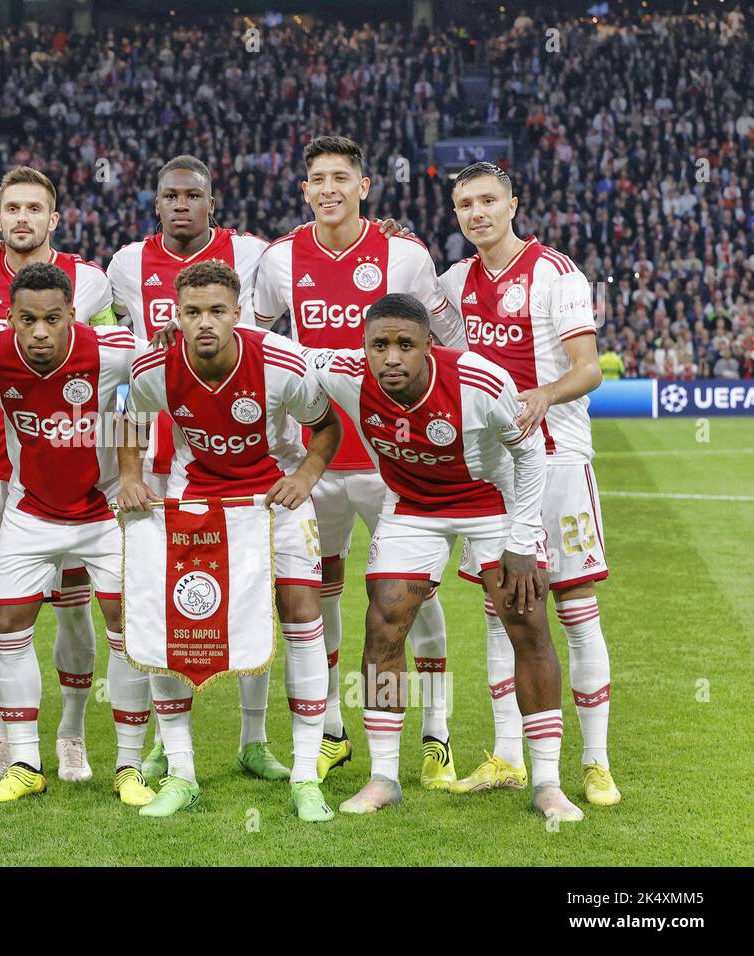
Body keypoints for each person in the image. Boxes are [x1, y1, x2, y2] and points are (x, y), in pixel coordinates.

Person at [308, 293, 583, 823]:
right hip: (412, 506)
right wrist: (175, 339)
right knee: (383, 623)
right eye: (379, 345)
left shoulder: (479, 381)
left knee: (526, 623)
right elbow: (278, 351)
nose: (390, 358)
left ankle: (547, 782)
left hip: (492, 501)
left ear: (429, 346)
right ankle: (384, 776)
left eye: (405, 345)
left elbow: (528, 454)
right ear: (363, 347)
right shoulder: (343, 371)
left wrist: (522, 542)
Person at [253, 135, 466, 788]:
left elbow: (449, 341)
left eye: (340, 177)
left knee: (413, 599)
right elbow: (258, 344)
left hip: (390, 462)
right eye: (316, 178)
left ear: (364, 186)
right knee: (315, 598)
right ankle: (331, 736)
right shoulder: (280, 259)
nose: (327, 189)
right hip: (314, 458)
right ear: (304, 189)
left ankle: (437, 735)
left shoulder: (405, 255)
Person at [121, 261, 343, 821]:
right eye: (192, 312)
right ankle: (182, 771)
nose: (205, 323)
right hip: (195, 503)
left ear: (238, 313)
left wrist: (305, 477)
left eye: (217, 311)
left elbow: (327, 426)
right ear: (176, 314)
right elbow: (127, 420)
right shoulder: (153, 367)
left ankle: (303, 773)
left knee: (298, 615)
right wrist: (129, 476)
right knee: (176, 625)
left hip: (274, 502)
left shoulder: (278, 361)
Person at [440, 162, 620, 807]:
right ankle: (508, 756)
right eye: (464, 204)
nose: (477, 212)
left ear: (513, 204)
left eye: (488, 200)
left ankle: (595, 762)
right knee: (500, 614)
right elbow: (413, 318)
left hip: (560, 461)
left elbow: (589, 368)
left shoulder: (555, 271)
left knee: (573, 611)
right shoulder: (456, 281)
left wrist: (543, 394)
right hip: (494, 469)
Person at [0, 262, 156, 807]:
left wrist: (130, 473)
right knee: (8, 624)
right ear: (10, 318)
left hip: (102, 511)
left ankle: (128, 765)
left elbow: (140, 399)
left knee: (126, 626)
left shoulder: (114, 350)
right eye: (28, 320)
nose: (42, 331)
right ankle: (24, 760)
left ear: (72, 313)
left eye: (54, 318)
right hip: (30, 511)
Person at [0, 167, 115, 784]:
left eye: (34, 208)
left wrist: (121, 459)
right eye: (11, 208)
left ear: (54, 218)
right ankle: (6, 735)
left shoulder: (92, 282)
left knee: (75, 610)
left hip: (74, 472)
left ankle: (72, 734)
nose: (22, 218)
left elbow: (117, 379)